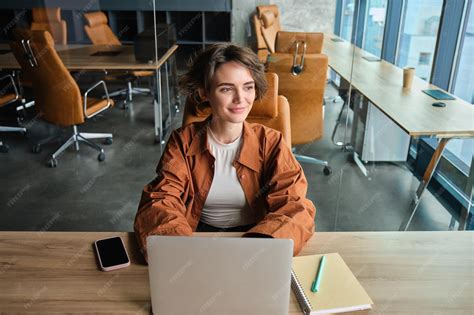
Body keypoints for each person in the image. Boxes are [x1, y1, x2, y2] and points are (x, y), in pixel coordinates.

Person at [134, 44, 316, 260]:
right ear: (204, 92)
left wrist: (259, 249)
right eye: (226, 89)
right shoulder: (182, 141)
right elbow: (160, 200)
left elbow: (293, 204)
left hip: (259, 237)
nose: (240, 98)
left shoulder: (271, 142)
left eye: (248, 87)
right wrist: (182, 252)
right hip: (196, 238)